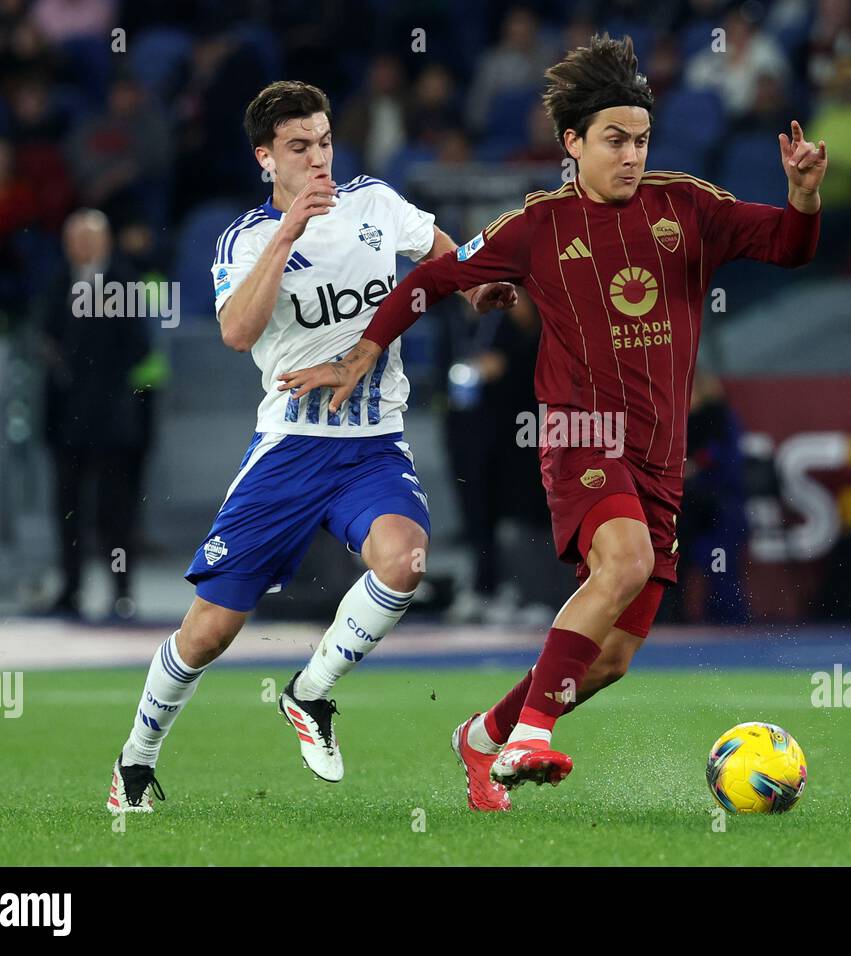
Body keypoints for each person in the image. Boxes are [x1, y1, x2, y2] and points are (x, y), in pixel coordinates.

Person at [278, 35, 826, 809]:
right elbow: (435, 277)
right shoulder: (536, 227)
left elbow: (790, 247)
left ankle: (482, 737)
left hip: (660, 459)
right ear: (572, 143)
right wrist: (364, 351)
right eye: (614, 140)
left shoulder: (688, 207)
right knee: (625, 561)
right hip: (580, 437)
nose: (631, 156)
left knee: (610, 660)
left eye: (640, 140)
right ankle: (532, 737)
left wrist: (803, 195)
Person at [106, 81, 515, 813]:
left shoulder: (375, 203)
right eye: (300, 148)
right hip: (291, 447)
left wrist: (472, 288)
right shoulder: (248, 239)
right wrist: (290, 229)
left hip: (371, 444)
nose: (318, 158)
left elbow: (443, 253)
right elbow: (236, 332)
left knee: (406, 559)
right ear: (267, 157)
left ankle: (310, 692)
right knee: (210, 631)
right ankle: (136, 760)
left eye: (324, 142)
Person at [39, 209, 150, 620]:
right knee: (67, 507)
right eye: (72, 239)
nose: (77, 248)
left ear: (102, 241)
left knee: (114, 510)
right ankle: (70, 588)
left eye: (84, 239)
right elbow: (46, 331)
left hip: (110, 419)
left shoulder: (123, 281)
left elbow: (139, 345)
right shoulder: (60, 278)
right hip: (66, 417)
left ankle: (121, 591)